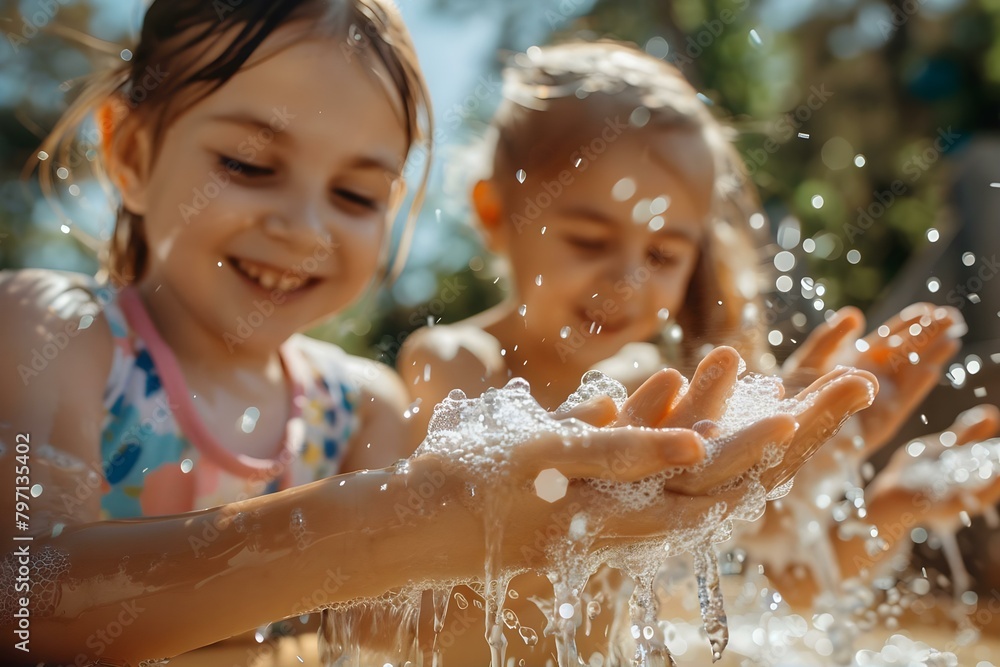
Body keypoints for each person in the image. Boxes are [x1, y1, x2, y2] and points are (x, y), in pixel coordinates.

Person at [0, 5, 879, 665]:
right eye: (248, 165)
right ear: (132, 155)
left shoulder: (354, 412)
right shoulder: (60, 336)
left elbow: (415, 637)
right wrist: (408, 520)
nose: (305, 227)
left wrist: (610, 543)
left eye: (355, 194)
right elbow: (31, 603)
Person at [397, 39, 999, 657]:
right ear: (497, 211)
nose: (627, 281)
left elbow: (781, 595)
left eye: (662, 255)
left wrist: (867, 489)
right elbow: (455, 547)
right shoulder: (458, 360)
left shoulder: (660, 388)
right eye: (588, 240)